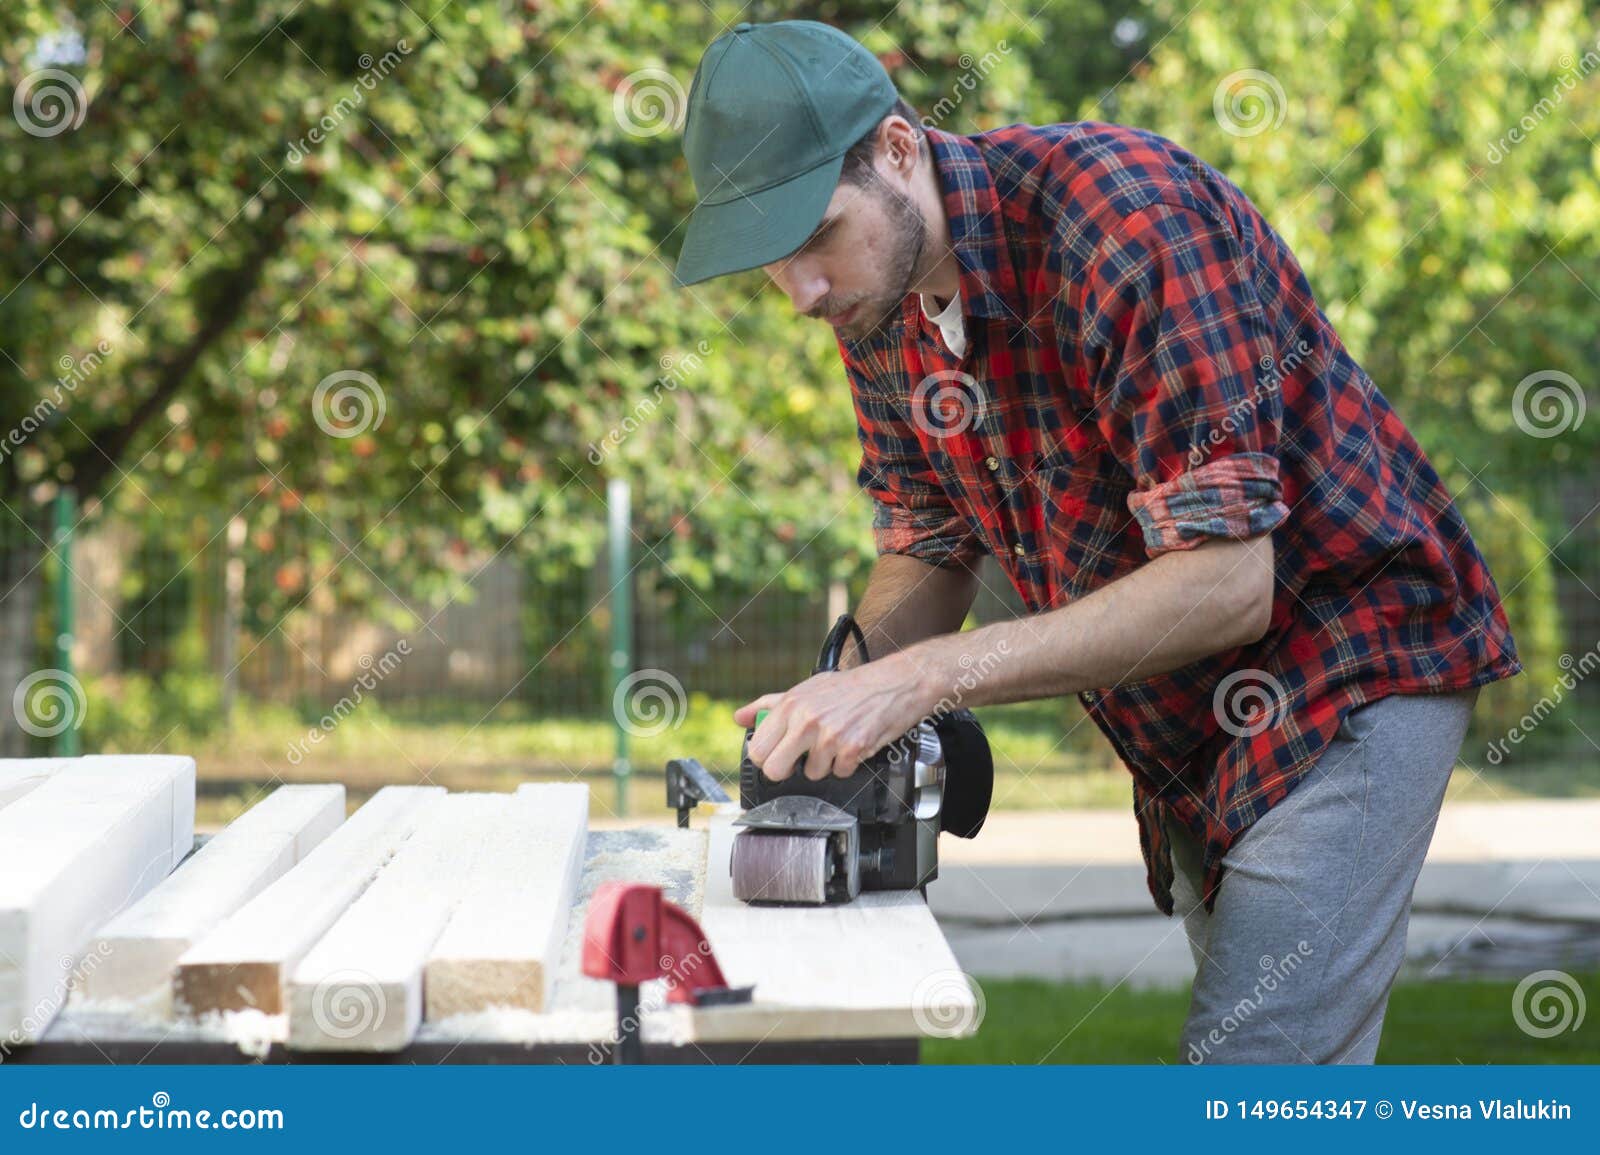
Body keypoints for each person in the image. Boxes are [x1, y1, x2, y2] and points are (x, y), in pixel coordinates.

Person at [673, 19, 1519, 1064]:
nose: (799, 292)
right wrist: (836, 695)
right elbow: (930, 543)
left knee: (1255, 1074)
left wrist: (926, 680)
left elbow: (1224, 583)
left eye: (816, 237)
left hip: (1347, 655)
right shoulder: (877, 301)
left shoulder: (1124, 218)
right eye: (770, 264)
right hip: (1183, 715)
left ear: (897, 150)